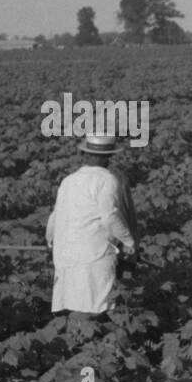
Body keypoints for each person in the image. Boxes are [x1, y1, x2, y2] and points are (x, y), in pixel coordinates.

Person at [46, 132, 136, 316]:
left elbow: (55, 217)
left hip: (66, 255)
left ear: (85, 154)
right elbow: (110, 216)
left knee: (72, 307)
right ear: (110, 156)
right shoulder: (108, 179)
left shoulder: (68, 181)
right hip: (94, 254)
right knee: (99, 307)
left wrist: (50, 241)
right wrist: (128, 242)